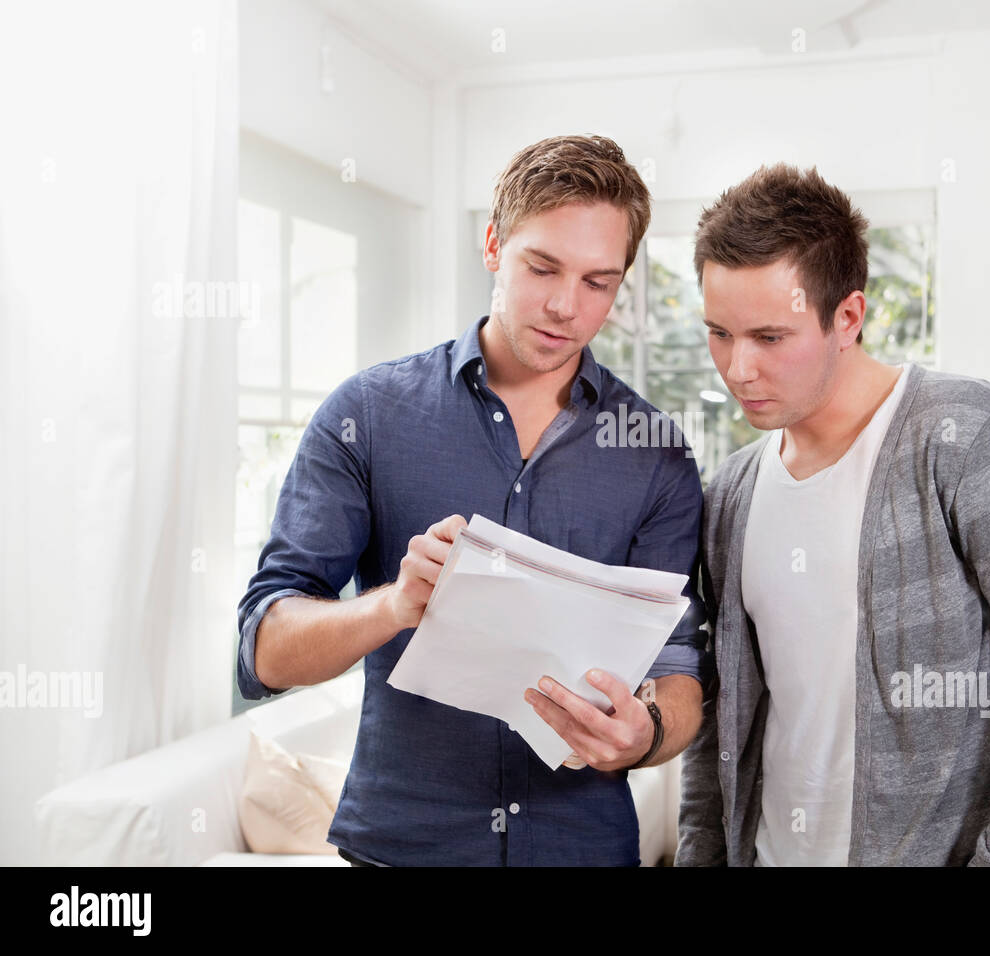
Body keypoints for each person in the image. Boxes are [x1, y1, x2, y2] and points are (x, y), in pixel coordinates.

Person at [236, 134, 708, 866]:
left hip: (582, 849)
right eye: (542, 266)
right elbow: (265, 651)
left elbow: (677, 670)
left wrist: (645, 734)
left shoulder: (657, 454)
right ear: (492, 243)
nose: (564, 306)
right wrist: (392, 605)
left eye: (598, 282)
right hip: (403, 847)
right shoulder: (368, 414)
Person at [675, 163, 990, 866]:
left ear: (847, 317)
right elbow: (721, 716)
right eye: (719, 333)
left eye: (769, 337)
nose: (737, 369)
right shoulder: (731, 493)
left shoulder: (975, 439)